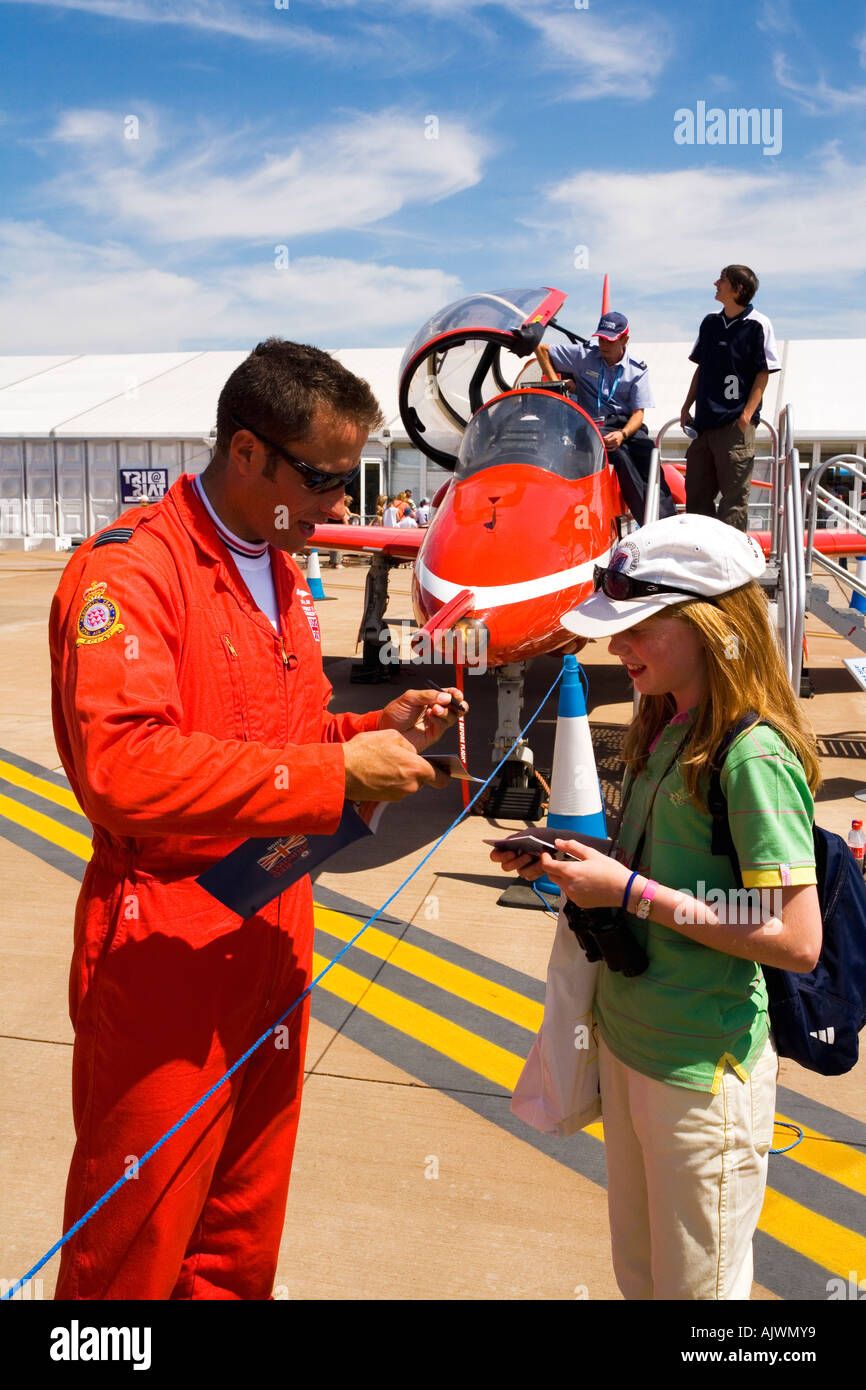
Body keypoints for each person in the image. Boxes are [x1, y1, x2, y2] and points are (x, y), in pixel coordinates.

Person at [49, 338, 465, 1300]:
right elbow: (123, 766)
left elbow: (277, 731)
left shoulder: (277, 564)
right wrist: (329, 770)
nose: (342, 506)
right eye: (324, 478)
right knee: (134, 1249)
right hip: (169, 944)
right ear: (247, 454)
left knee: (238, 1237)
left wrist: (368, 728)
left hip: (273, 922)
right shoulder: (132, 574)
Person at [491, 513, 821, 1301]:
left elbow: (796, 938)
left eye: (636, 627)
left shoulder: (752, 755)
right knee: (642, 1281)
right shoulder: (667, 724)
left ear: (708, 626)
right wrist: (576, 860)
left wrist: (631, 893)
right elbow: (664, 869)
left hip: (700, 1074)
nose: (616, 646)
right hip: (635, 1049)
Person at [536, 311, 675, 525]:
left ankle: (668, 522)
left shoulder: (637, 369)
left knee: (648, 455)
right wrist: (559, 386)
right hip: (592, 424)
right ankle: (650, 525)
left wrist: (622, 434)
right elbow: (542, 349)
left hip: (625, 425)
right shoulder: (584, 355)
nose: (603, 345)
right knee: (620, 456)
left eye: (609, 341)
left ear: (624, 340)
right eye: (600, 339)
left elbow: (638, 414)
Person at [680, 265, 780, 532]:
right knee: (697, 497)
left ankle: (731, 568)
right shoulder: (710, 322)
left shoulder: (759, 323)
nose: (715, 283)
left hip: (735, 425)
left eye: (722, 280)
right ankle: (701, 558)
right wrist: (687, 405)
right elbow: (701, 367)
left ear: (738, 289)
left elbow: (763, 372)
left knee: (734, 501)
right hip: (704, 425)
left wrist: (746, 415)